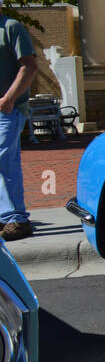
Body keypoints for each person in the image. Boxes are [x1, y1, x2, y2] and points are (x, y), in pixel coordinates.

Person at [0, 18, 37, 242]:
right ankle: (6, 217)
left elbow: (30, 65)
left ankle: (17, 219)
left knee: (5, 160)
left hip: (8, 109)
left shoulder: (11, 27)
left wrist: (8, 99)